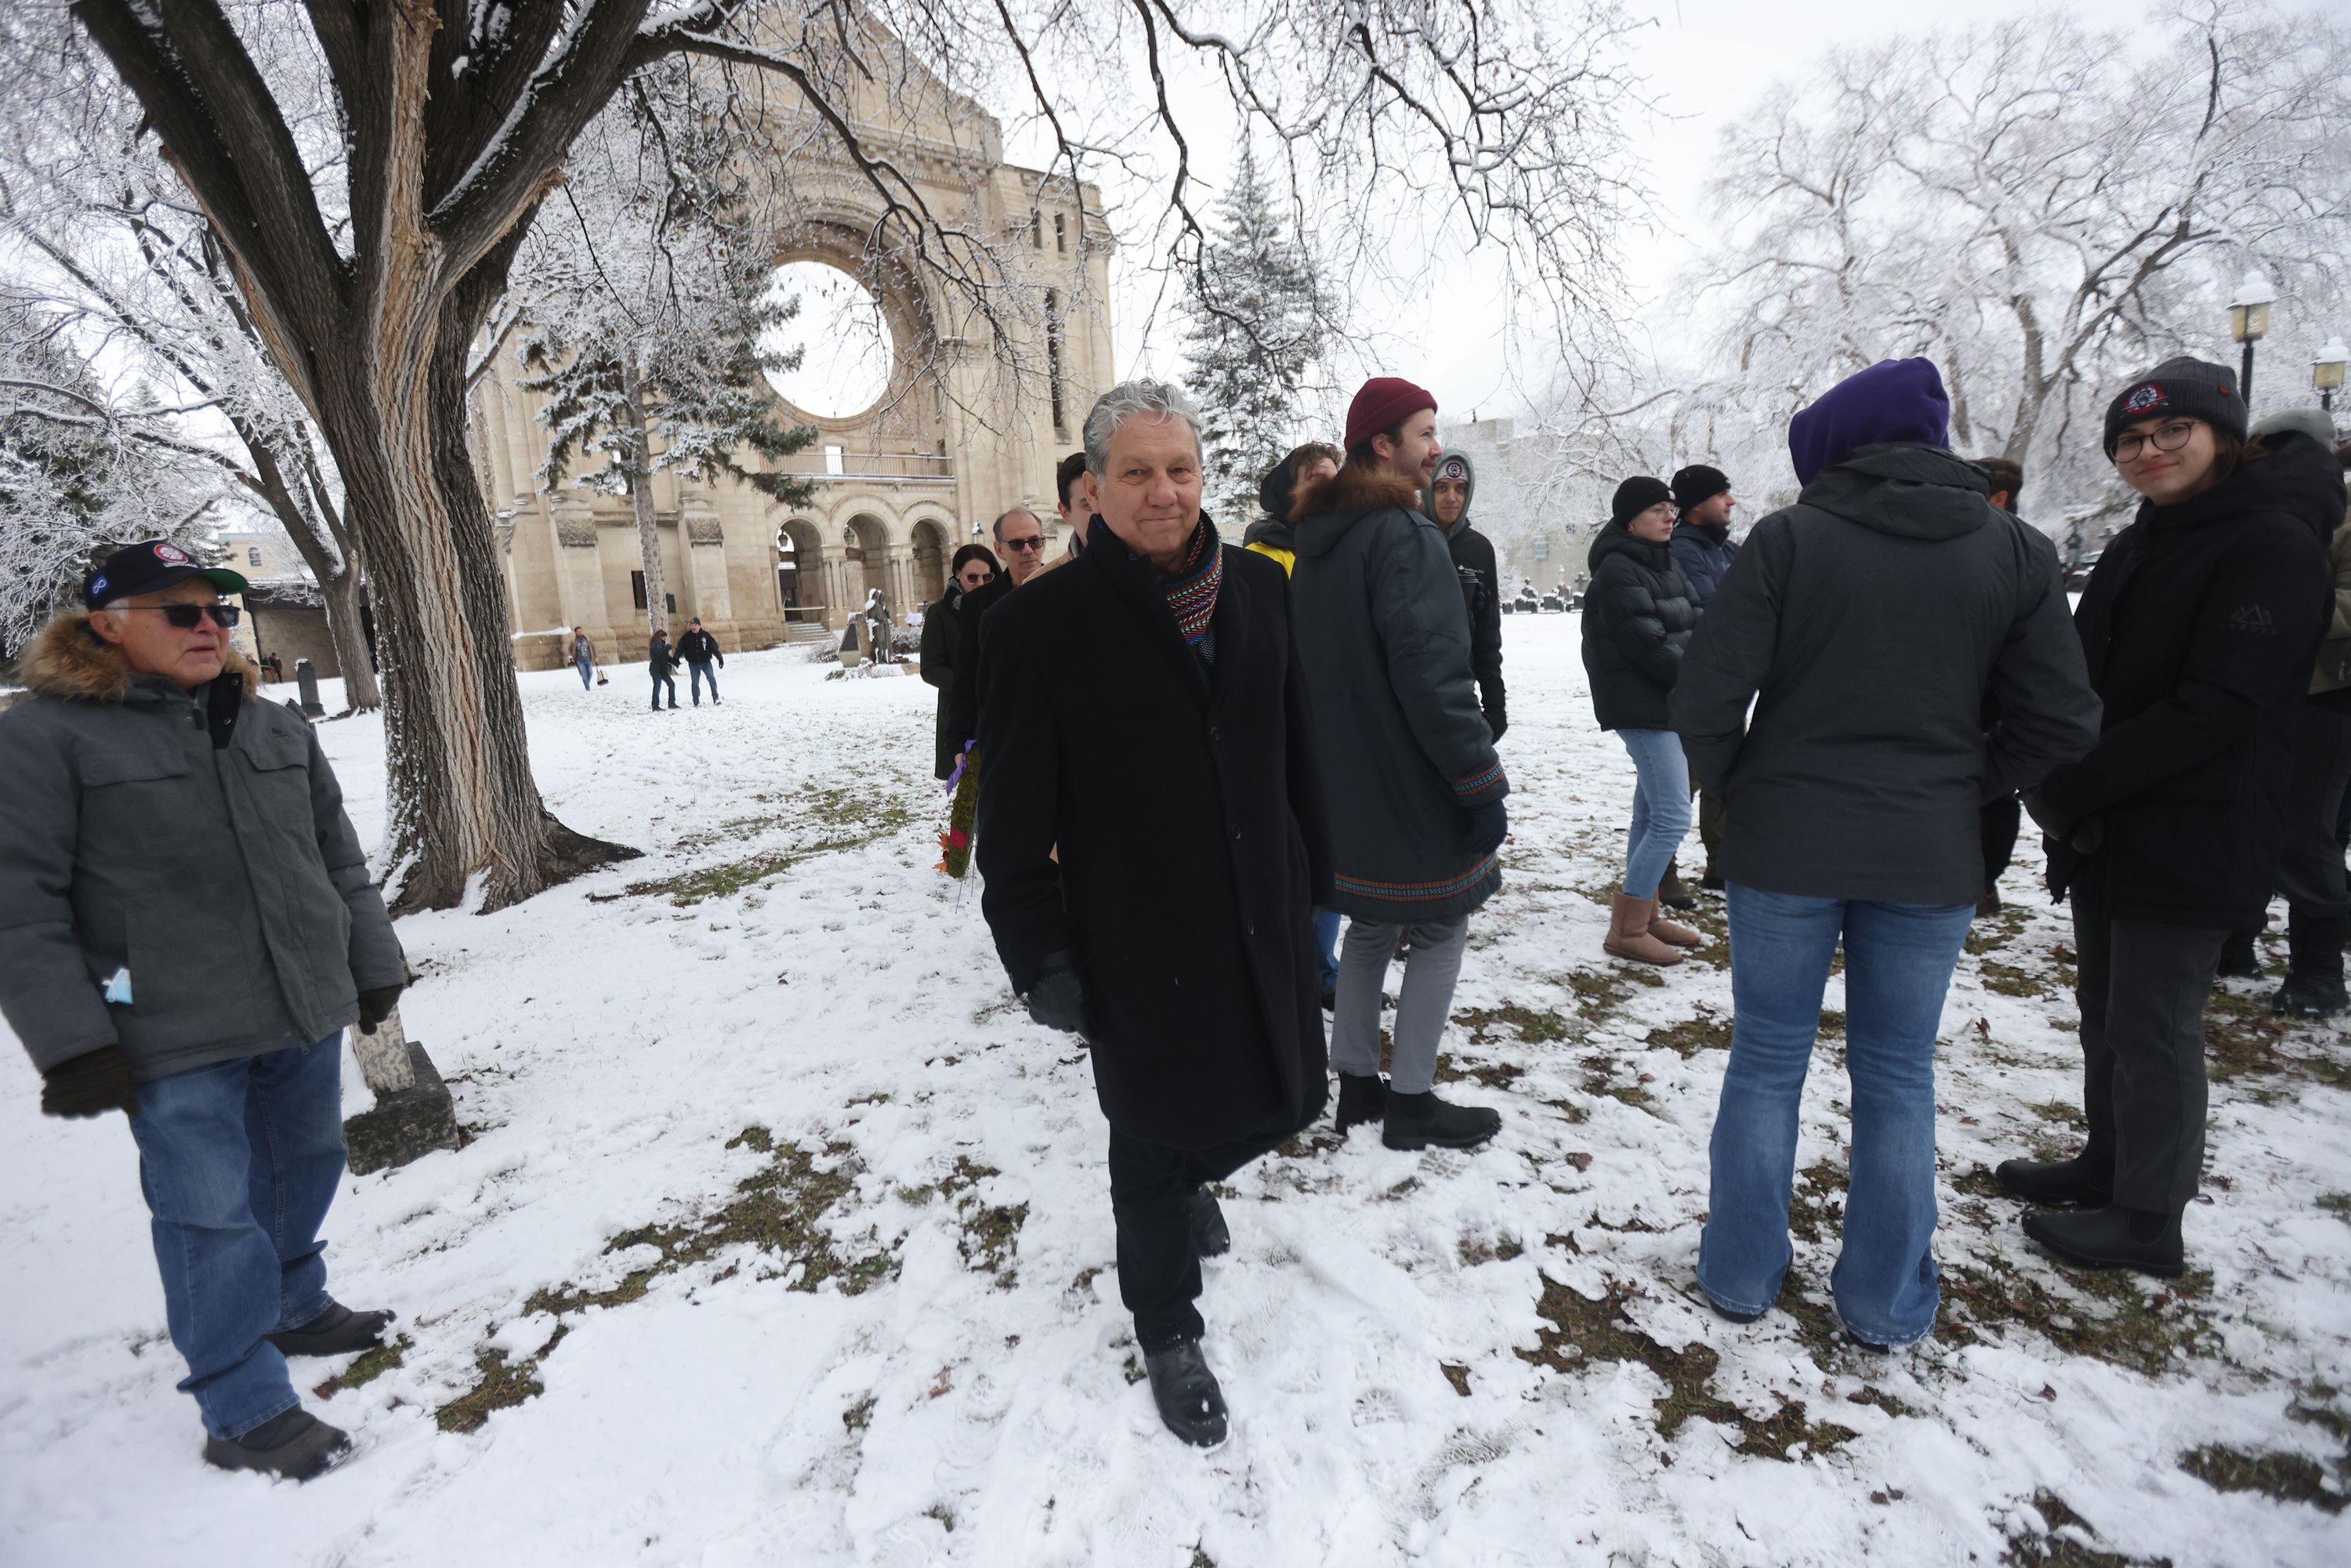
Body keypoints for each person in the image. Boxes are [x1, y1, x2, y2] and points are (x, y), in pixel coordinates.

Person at [1673, 358, 2099, 1349]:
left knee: (1768, 1058)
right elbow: (2064, 722)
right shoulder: (2018, 552)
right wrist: (1969, 784)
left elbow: (1702, 698)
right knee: (1899, 1072)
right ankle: (1882, 1301)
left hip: (1786, 844)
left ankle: (1739, 1270)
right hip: (1929, 851)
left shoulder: (1787, 541)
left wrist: (1742, 780)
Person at [0, 541, 408, 1480]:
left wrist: (369, 964)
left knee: (306, 1163)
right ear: (106, 623)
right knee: (209, 1216)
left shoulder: (272, 729)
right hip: (168, 1025)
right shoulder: (46, 738)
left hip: (298, 1000)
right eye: (180, 612)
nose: (210, 628)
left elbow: (336, 861)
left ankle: (294, 1305)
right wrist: (72, 1043)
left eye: (217, 611)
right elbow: (19, 902)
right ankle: (240, 1401)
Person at [976, 380, 1329, 1448]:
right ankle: (1166, 1323)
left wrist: (1322, 895)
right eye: (1136, 472)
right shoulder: (1040, 624)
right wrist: (1038, 953)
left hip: (1261, 908)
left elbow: (1299, 757)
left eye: (1179, 468)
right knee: (1146, 1133)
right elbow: (1012, 813)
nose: (1163, 492)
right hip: (1136, 934)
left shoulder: (1263, 593)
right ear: (1094, 487)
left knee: (1282, 1100)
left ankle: (1189, 1179)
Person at [2005, 357, 2335, 1278]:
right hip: (2110, 822)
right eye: (2130, 441)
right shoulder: (2148, 536)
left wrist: (2079, 781)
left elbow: (2221, 706)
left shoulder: (2269, 542)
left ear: (2222, 436)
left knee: (2155, 1024)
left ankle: (2148, 1218)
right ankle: (2108, 1165)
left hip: (2196, 825)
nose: (2148, 452)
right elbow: (2082, 669)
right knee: (2105, 1010)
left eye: (2169, 434)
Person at [1291, 376, 1507, 1152]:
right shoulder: (1404, 536)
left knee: (1373, 925)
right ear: (1381, 445)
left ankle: (1355, 1086)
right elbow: (1435, 676)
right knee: (1443, 925)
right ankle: (1410, 1101)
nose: (1435, 447)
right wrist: (1480, 782)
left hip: (1346, 779)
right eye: (1423, 433)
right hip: (1411, 778)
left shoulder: (1321, 541)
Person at [1583, 477, 1703, 965]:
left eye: (1672, 508)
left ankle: (1646, 915)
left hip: (1668, 703)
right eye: (1658, 509)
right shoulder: (1618, 569)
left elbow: (1696, 621)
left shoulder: (1664, 560)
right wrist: (1702, 683)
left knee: (1651, 814)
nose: (1670, 516)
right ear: (1631, 518)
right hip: (1642, 706)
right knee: (1673, 814)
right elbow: (1648, 645)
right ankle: (1627, 929)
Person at [1244, 440, 1345, 1005]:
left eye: (1333, 475)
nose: (1325, 485)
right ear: (1289, 488)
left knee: (1331, 849)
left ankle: (1320, 964)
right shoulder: (1270, 551)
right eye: (1312, 477)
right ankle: (1301, 966)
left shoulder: (1347, 541)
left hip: (1339, 719)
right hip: (1292, 723)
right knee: (1299, 850)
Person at [2264, 414, 2351, 1016]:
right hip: (2271, 692)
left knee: (2310, 830)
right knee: (2254, 815)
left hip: (2328, 696)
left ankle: (2319, 969)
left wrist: (2283, 603)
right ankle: (2234, 941)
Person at [1668, 464, 1738, 898]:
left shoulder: (1726, 552)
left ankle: (1722, 864)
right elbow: (1714, 610)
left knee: (1725, 775)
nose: (1731, 501)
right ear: (1696, 506)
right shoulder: (1683, 551)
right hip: (1694, 685)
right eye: (1721, 494)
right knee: (1682, 781)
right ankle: (1661, 870)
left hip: (1730, 682)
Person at [944, 506, 1052, 766]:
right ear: (1000, 549)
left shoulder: (1068, 589)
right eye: (1016, 544)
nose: (1028, 550)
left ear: (1043, 543)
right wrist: (959, 737)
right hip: (1004, 734)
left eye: (1034, 541)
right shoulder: (979, 604)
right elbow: (967, 674)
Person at [1974, 457, 2029, 917]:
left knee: (1990, 792)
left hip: (1993, 686)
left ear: (1999, 499)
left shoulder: (2014, 549)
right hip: (1974, 684)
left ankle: (1983, 881)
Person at [1426, 451, 1507, 744]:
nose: (1452, 497)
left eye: (1461, 489)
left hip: (1461, 689)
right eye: (1442, 487)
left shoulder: (1479, 549)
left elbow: (1488, 631)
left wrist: (1495, 704)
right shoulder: (1406, 537)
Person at [921, 545, 999, 780]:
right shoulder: (941, 613)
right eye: (972, 578)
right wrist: (969, 682)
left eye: (987, 577)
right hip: (961, 710)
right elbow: (930, 668)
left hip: (998, 705)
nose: (980, 584)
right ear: (957, 575)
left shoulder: (1003, 605)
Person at [1243, 441, 1341, 575]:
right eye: (1316, 479)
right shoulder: (1262, 558)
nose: (1330, 490)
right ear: (1288, 491)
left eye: (1335, 481)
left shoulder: (1343, 549)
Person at [675, 617, 724, 706]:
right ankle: (696, 701)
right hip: (693, 663)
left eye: (695, 625)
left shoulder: (706, 635)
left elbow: (714, 648)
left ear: (699, 626)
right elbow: (680, 649)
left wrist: (720, 658)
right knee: (695, 682)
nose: (693, 627)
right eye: (692, 626)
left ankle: (716, 698)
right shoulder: (686, 637)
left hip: (706, 662)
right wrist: (676, 658)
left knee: (712, 679)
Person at [647, 628, 679, 711]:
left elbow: (665, 657)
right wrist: (667, 648)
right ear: (660, 637)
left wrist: (674, 661)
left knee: (671, 684)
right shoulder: (656, 644)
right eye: (664, 638)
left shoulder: (660, 645)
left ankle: (671, 703)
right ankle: (655, 705)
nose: (665, 639)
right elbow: (659, 654)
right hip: (656, 670)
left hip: (662, 670)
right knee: (657, 686)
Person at [571, 626, 596, 690]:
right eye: (578, 632)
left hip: (588, 659)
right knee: (584, 674)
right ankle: (587, 688)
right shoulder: (574, 641)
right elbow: (570, 649)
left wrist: (596, 657)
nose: (580, 633)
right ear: (576, 633)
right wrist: (571, 657)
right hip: (580, 660)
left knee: (590, 673)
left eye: (581, 631)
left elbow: (594, 648)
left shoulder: (587, 639)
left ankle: (586, 683)